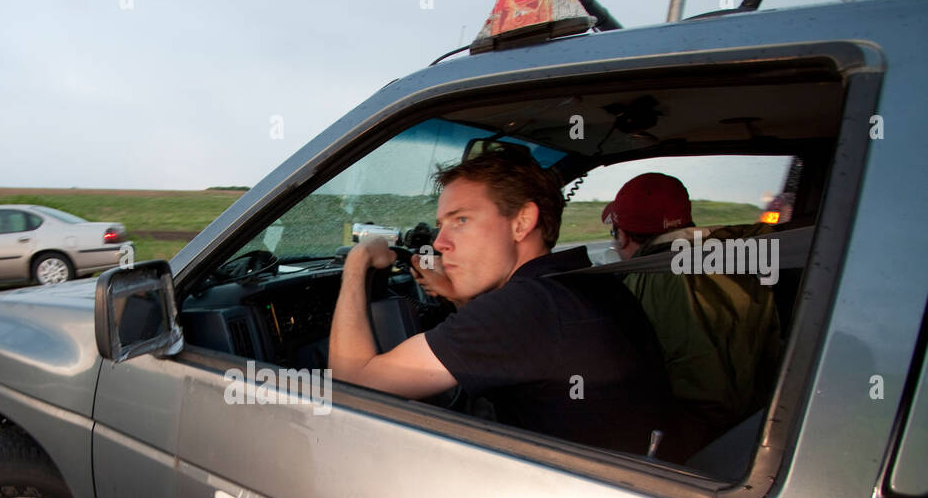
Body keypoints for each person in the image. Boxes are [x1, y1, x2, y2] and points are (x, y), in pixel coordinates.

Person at [329, 149, 669, 456]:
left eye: (461, 220)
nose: (441, 242)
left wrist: (358, 261)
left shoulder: (523, 307)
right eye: (440, 226)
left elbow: (352, 383)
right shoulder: (584, 282)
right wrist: (461, 298)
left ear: (521, 222)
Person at [603, 173, 782, 451]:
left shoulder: (646, 282)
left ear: (623, 236)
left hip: (691, 446)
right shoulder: (738, 260)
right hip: (756, 432)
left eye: (614, 233)